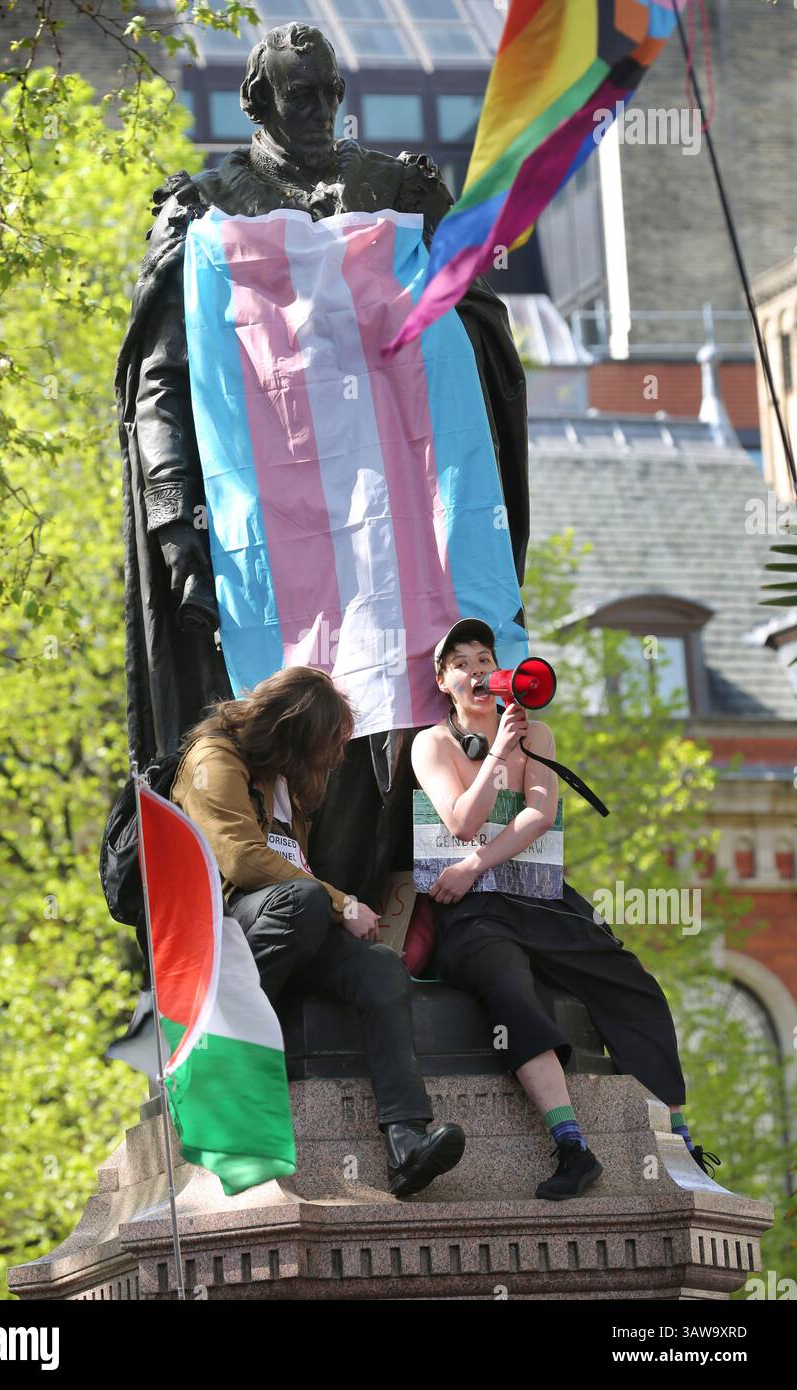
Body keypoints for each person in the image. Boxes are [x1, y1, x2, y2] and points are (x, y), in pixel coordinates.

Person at [114, 20, 529, 915]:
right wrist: (174, 523)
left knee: (421, 716)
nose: (318, 111)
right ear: (256, 100)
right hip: (266, 541)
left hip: (404, 515)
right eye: (298, 96)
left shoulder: (400, 189)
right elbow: (158, 383)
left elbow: (480, 335)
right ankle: (313, 923)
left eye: (330, 94)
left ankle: (434, 926)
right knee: (300, 733)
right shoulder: (205, 203)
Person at [410, 618, 720, 1200]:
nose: (476, 671)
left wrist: (477, 861)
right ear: (443, 680)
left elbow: (540, 814)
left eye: (484, 659)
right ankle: (572, 1145)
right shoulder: (432, 743)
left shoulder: (538, 733)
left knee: (633, 983)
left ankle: (680, 1147)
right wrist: (499, 752)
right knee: (509, 991)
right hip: (472, 910)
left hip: (536, 894)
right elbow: (461, 820)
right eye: (461, 663)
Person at [170, 664, 466, 1198]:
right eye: (328, 743)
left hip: (284, 926)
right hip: (224, 935)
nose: (334, 757)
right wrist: (342, 902)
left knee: (378, 966)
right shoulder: (213, 759)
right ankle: (221, 1048)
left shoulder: (284, 778)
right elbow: (241, 860)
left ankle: (406, 1141)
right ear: (293, 732)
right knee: (306, 899)